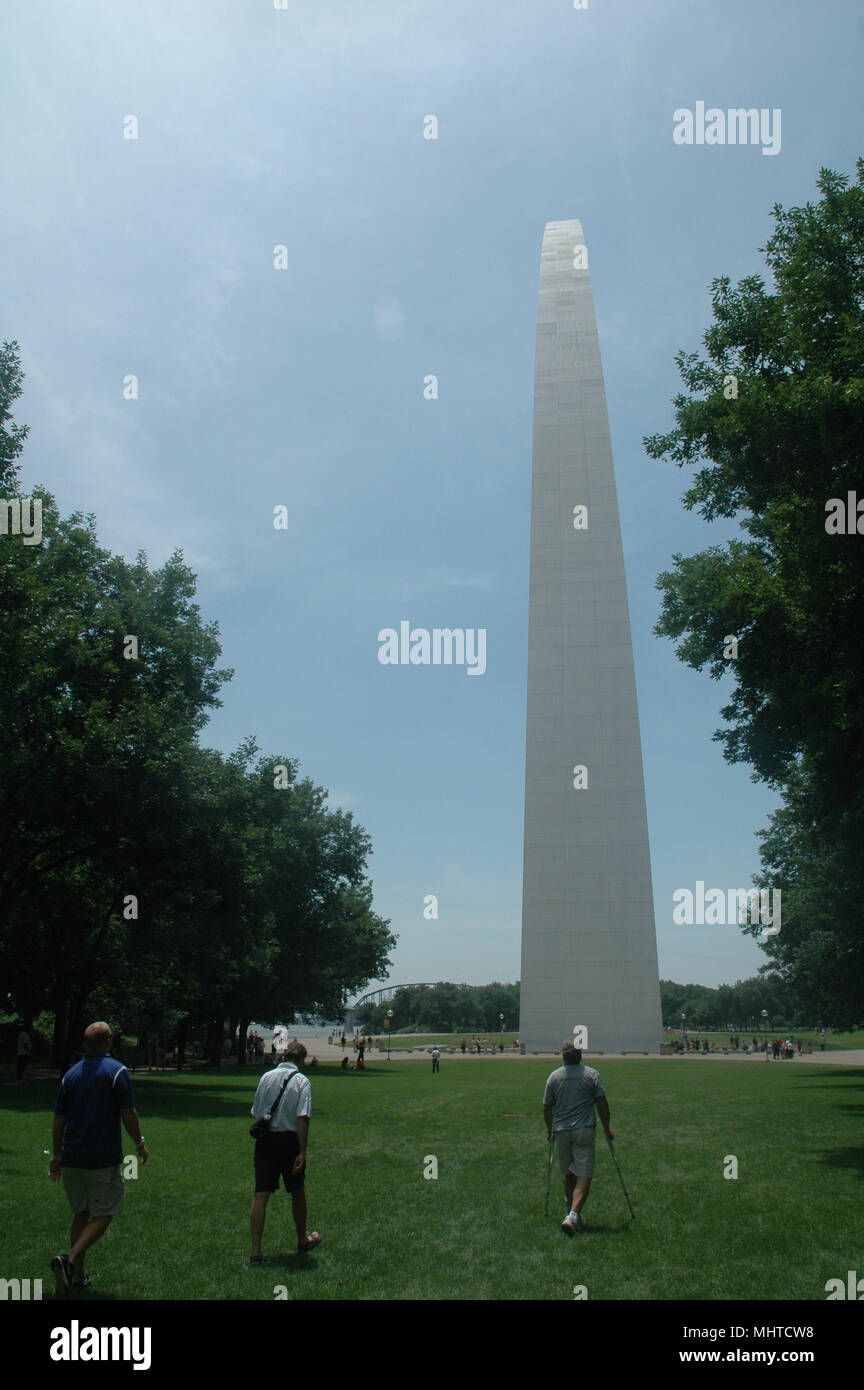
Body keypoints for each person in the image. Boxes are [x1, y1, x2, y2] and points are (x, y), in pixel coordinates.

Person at [49, 1021, 148, 1295]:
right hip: (101, 1158)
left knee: (81, 1213)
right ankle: (69, 1260)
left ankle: (78, 1277)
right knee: (105, 1213)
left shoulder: (70, 1075)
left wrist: (56, 1154)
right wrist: (139, 1144)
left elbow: (59, 1118)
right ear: (108, 1042)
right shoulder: (117, 1072)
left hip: (71, 1158)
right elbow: (129, 1113)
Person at [249, 1041, 321, 1264]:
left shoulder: (266, 1077)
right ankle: (302, 1240)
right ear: (301, 1061)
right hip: (289, 1141)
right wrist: (302, 1151)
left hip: (265, 1140)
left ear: (284, 1057)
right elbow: (302, 1118)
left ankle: (256, 1252)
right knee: (297, 1191)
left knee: (261, 1194)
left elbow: (256, 1112)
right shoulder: (302, 1082)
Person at [543, 1041, 612, 1237]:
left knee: (570, 1173)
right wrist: (607, 1128)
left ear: (563, 1057)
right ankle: (573, 1214)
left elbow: (547, 1107)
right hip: (584, 1129)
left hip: (561, 1130)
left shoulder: (554, 1077)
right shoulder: (591, 1074)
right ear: (580, 1056)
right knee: (584, 1174)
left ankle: (571, 1213)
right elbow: (602, 1103)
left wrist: (550, 1130)